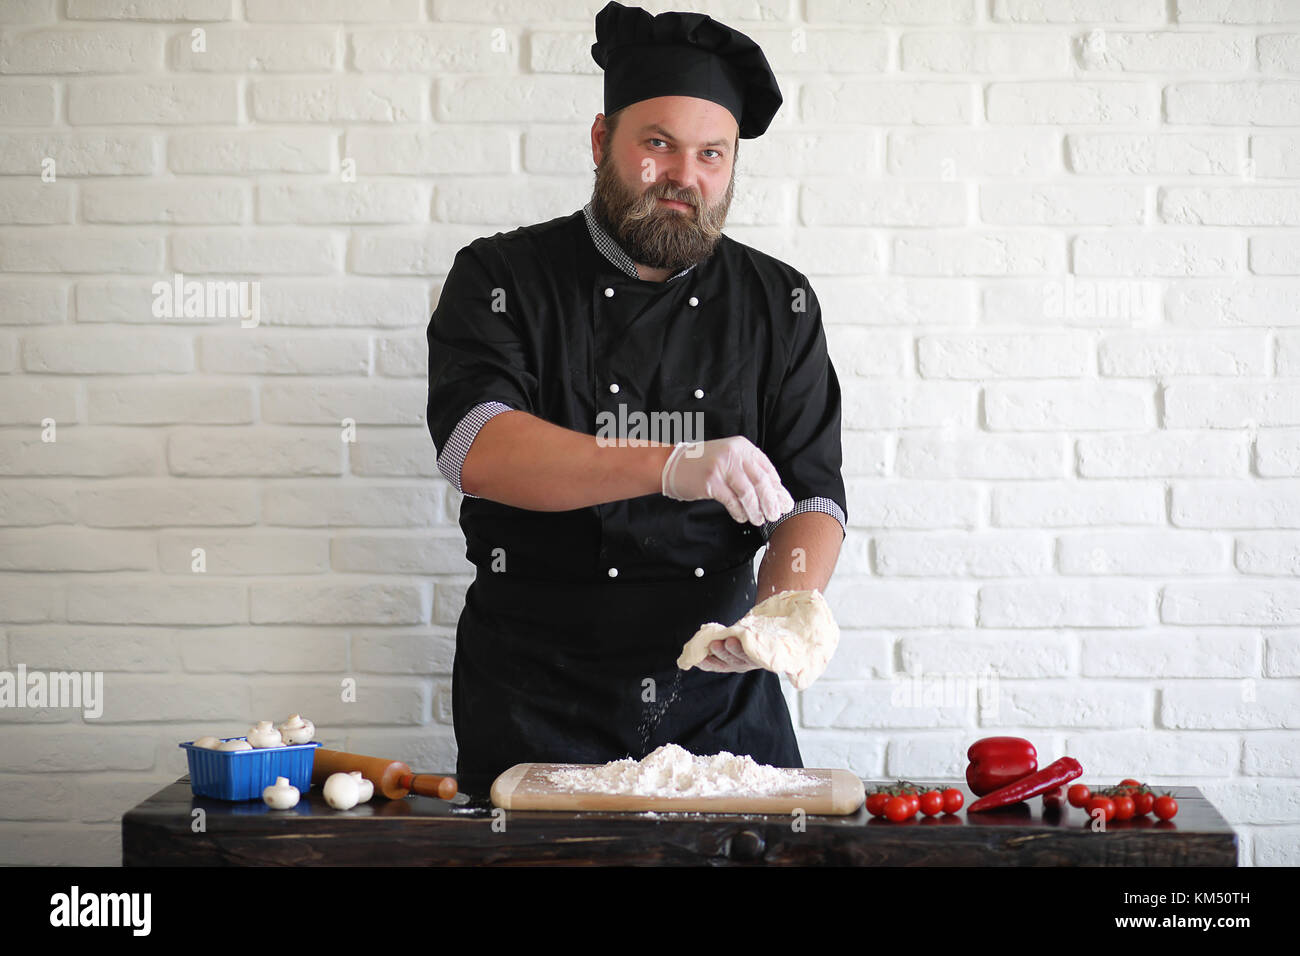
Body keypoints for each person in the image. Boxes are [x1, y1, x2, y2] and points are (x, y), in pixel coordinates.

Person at [426, 1, 847, 794]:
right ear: (601, 141)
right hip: (534, 692)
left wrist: (777, 616)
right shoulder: (500, 278)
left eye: (711, 155)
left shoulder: (778, 300)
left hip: (722, 693)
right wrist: (672, 463)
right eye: (658, 144)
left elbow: (813, 496)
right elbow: (475, 448)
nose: (685, 177)